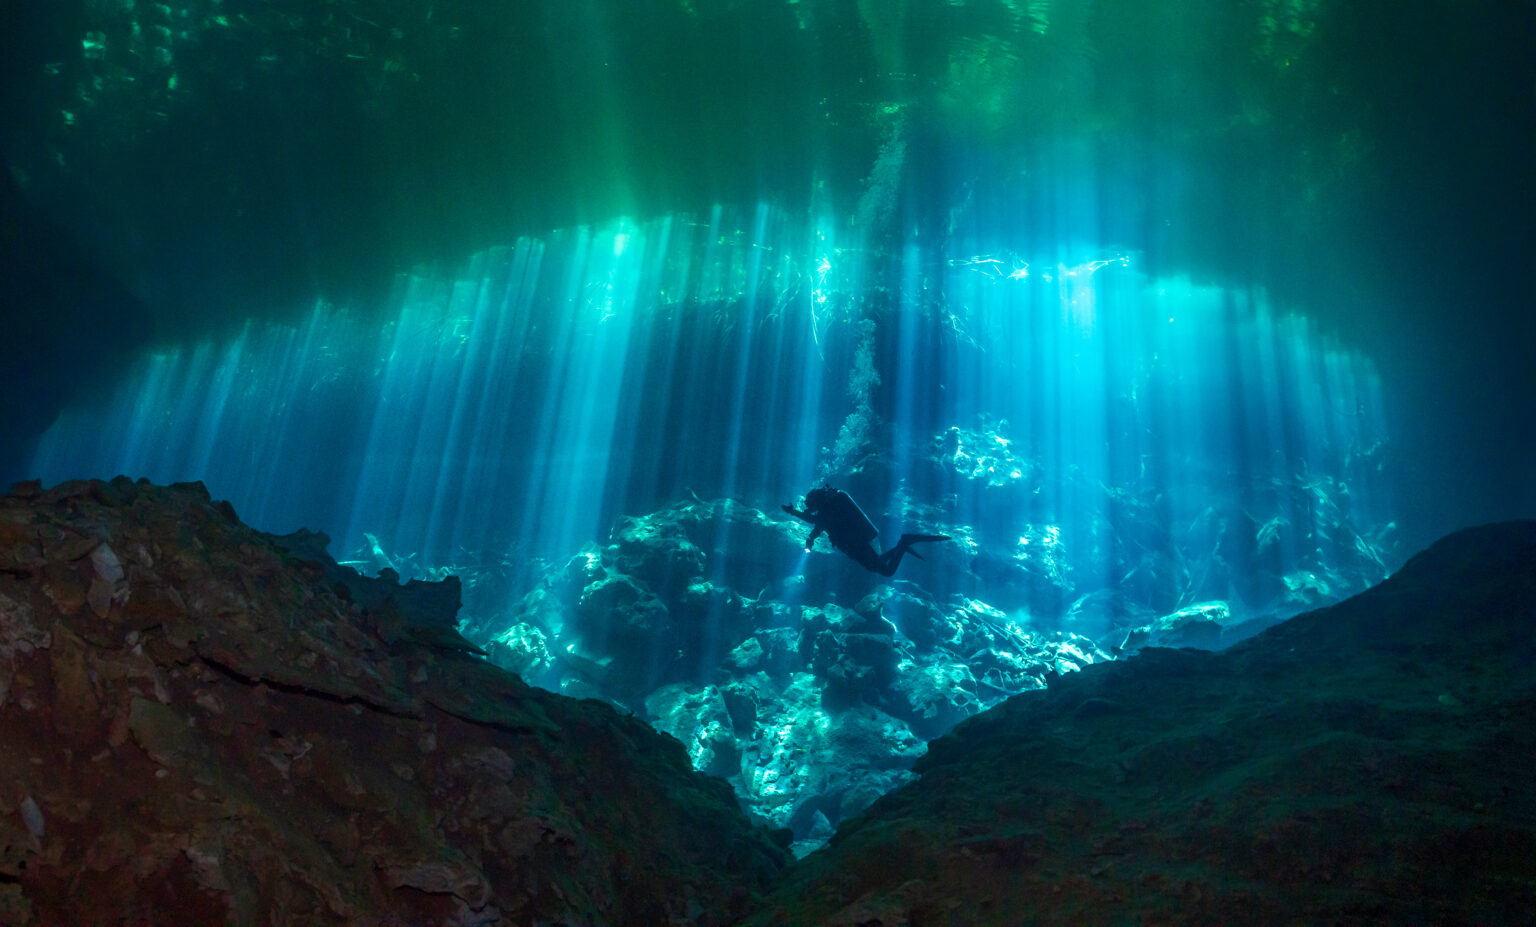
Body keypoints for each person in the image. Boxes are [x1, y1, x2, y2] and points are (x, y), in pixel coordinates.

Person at [782, 486, 950, 576]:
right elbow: (819, 525)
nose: (809, 510)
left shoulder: (828, 511)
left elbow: (815, 521)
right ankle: (903, 544)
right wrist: (810, 539)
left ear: (816, 504)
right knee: (877, 564)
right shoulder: (829, 511)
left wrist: (792, 512)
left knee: (886, 570)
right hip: (855, 542)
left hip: (854, 544)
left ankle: (905, 543)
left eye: (809, 507)